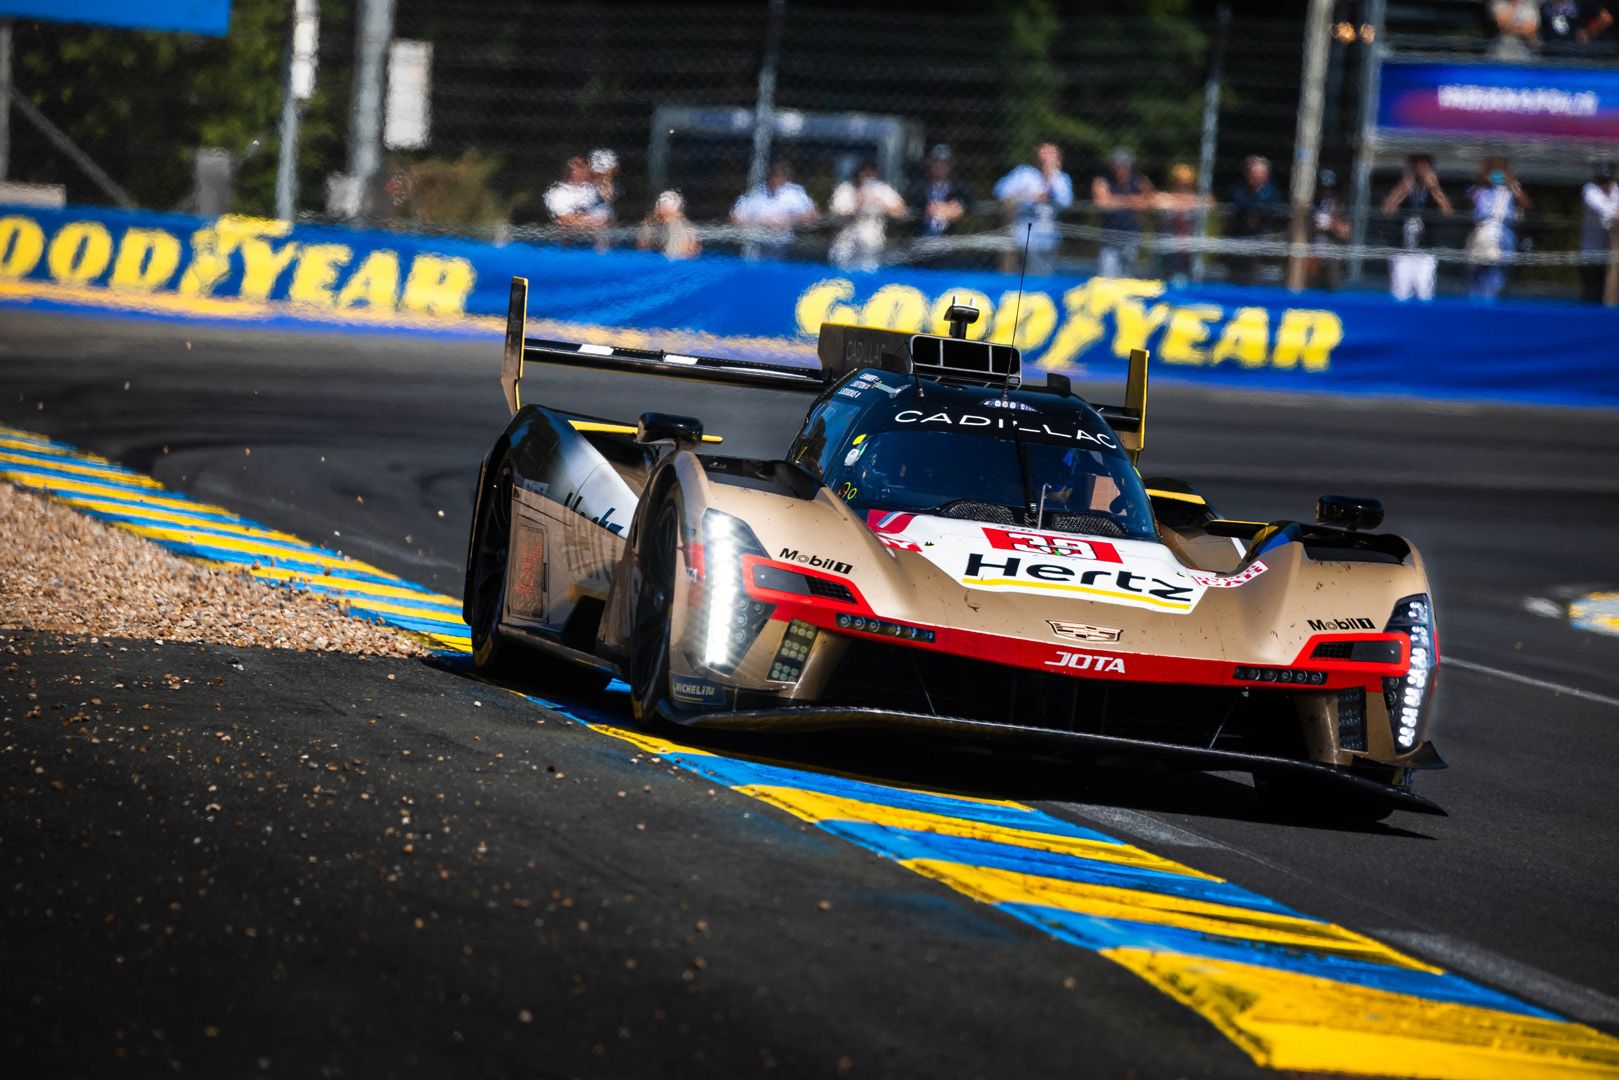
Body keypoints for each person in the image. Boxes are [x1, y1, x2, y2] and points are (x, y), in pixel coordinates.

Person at [993, 142, 1074, 276]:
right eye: (1044, 153)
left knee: (1045, 277)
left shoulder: (1061, 178)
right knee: (1024, 277)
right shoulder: (1023, 174)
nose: (1047, 158)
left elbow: (1065, 201)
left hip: (1050, 238)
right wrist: (1029, 197)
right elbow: (1000, 191)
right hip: (1023, 237)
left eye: (1051, 154)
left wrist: (1050, 178)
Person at [1381, 152, 1453, 302]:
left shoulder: (1434, 191)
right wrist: (1403, 187)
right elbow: (1387, 209)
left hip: (1425, 250)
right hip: (1402, 248)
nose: (1420, 172)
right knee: (1399, 292)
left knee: (1423, 291)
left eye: (1424, 169)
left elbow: (1448, 212)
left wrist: (1434, 188)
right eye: (1417, 168)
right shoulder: (1404, 188)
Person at [1466, 157, 1531, 302]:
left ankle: (1494, 300)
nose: (1497, 174)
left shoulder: (1511, 189)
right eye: (1494, 170)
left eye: (1501, 170)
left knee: (1498, 273)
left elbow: (1526, 204)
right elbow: (1470, 205)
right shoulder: (1479, 189)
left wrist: (1511, 184)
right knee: (1478, 271)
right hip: (1482, 233)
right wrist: (1482, 181)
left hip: (1504, 235)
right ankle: (1475, 302)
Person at [731, 161, 817, 261]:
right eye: (772, 176)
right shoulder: (757, 193)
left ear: (785, 178)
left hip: (784, 245)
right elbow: (736, 218)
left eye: (778, 177)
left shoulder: (794, 193)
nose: (774, 180)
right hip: (757, 244)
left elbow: (812, 216)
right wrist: (763, 222)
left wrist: (788, 220)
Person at [829, 162, 906, 272]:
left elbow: (901, 211)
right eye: (864, 172)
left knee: (868, 270)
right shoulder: (846, 188)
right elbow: (839, 213)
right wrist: (859, 200)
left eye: (871, 172)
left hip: (872, 238)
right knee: (842, 269)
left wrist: (881, 205)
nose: (867, 176)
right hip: (847, 237)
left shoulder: (882, 189)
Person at [1091, 147, 1155, 279]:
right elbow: (1102, 203)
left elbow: (1147, 202)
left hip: (1131, 233)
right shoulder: (1103, 180)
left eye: (1124, 164)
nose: (1121, 167)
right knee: (1107, 274)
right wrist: (1130, 201)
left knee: (1128, 275)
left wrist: (1115, 200)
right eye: (1118, 164)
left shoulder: (1139, 181)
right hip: (1109, 234)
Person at [1227, 155, 1284, 284]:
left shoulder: (1272, 191)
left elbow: (1274, 209)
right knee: (1237, 270)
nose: (1257, 176)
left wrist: (1256, 210)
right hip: (1240, 235)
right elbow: (1240, 205)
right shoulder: (1239, 189)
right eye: (1254, 173)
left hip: (1263, 235)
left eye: (1260, 173)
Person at [1154, 162, 1209, 283]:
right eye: (1179, 183)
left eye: (1186, 184)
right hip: (1168, 251)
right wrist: (1179, 204)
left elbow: (1211, 203)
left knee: (1188, 281)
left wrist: (1185, 203)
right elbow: (1156, 202)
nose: (1182, 187)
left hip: (1189, 251)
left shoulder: (1197, 199)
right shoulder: (1164, 198)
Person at [544, 155, 612, 246]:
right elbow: (566, 220)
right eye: (577, 167)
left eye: (583, 167)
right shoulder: (557, 193)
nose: (582, 171)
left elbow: (608, 218)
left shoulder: (593, 191)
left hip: (594, 249)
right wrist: (592, 222)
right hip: (568, 249)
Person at [911, 144, 974, 238]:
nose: (940, 166)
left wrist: (955, 207)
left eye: (944, 162)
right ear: (930, 164)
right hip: (921, 237)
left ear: (950, 165)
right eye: (936, 162)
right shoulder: (920, 186)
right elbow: (910, 204)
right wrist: (927, 209)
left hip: (947, 239)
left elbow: (970, 203)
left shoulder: (957, 186)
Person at [1580, 162, 1618, 303]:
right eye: (1601, 181)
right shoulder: (1590, 191)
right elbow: (1608, 213)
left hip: (1611, 256)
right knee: (1592, 294)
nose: (1604, 185)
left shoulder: (1616, 191)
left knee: (1608, 297)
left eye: (1607, 180)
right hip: (1591, 254)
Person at [1307, 169, 1351, 291]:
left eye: (1329, 189)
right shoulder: (1313, 205)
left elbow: (1346, 232)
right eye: (1323, 189)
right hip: (1313, 253)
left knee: (1331, 286)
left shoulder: (1340, 206)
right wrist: (1313, 223)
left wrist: (1331, 224)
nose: (1326, 192)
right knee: (1310, 287)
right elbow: (1302, 229)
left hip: (1332, 253)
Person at [637, 189, 701, 260]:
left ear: (678, 213)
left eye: (667, 216)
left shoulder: (685, 231)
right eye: (662, 216)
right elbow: (642, 249)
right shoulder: (650, 225)